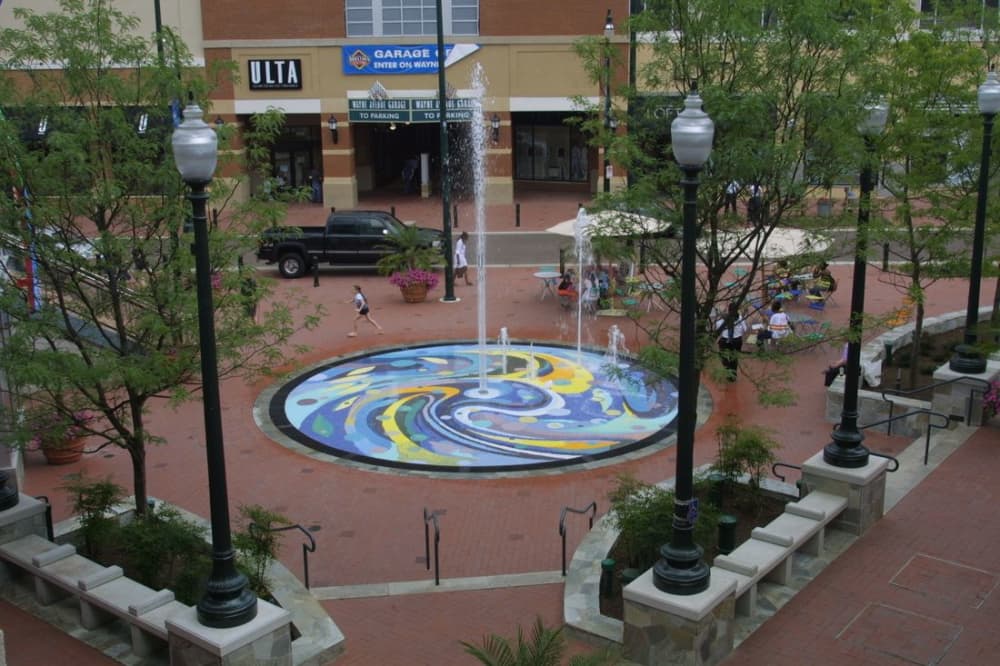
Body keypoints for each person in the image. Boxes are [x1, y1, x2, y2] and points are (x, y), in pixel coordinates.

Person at [716, 302, 748, 381]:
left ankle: (728, 370)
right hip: (737, 340)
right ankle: (732, 375)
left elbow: (718, 328)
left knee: (723, 356)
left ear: (728, 310)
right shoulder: (740, 318)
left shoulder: (723, 318)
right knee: (734, 358)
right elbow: (745, 329)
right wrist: (739, 331)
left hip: (724, 340)